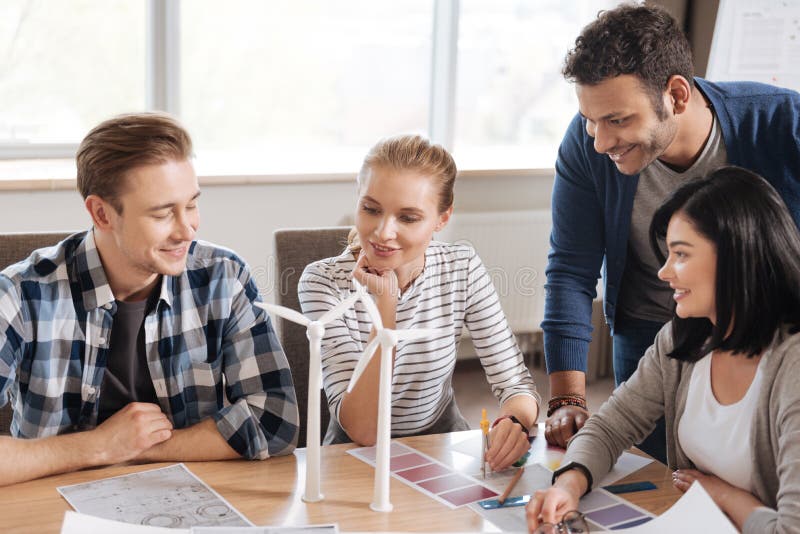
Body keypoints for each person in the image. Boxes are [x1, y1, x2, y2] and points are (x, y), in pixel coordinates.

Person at [542, 4, 800, 458]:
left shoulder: (784, 124)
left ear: (676, 95)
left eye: (617, 120)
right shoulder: (586, 144)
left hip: (766, 337)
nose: (600, 142)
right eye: (589, 119)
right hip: (649, 333)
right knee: (653, 474)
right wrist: (568, 399)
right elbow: (570, 271)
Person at [0, 113, 299, 487]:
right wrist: (97, 447)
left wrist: (138, 448)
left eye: (191, 205)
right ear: (102, 214)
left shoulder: (224, 277)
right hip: (48, 506)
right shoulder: (19, 294)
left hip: (187, 497)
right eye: (163, 213)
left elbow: (276, 420)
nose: (187, 229)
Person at [527, 166, 800, 533]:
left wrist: (724, 496)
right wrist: (568, 484)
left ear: (737, 256)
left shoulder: (792, 364)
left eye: (681, 254)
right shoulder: (682, 339)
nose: (664, 272)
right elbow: (611, 427)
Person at [298, 134, 539, 471]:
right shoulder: (322, 281)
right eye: (371, 209)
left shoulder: (461, 267)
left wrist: (513, 421)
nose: (383, 232)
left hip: (441, 443)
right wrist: (386, 303)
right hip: (352, 455)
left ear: (442, 218)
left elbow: (516, 383)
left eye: (408, 218)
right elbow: (364, 430)